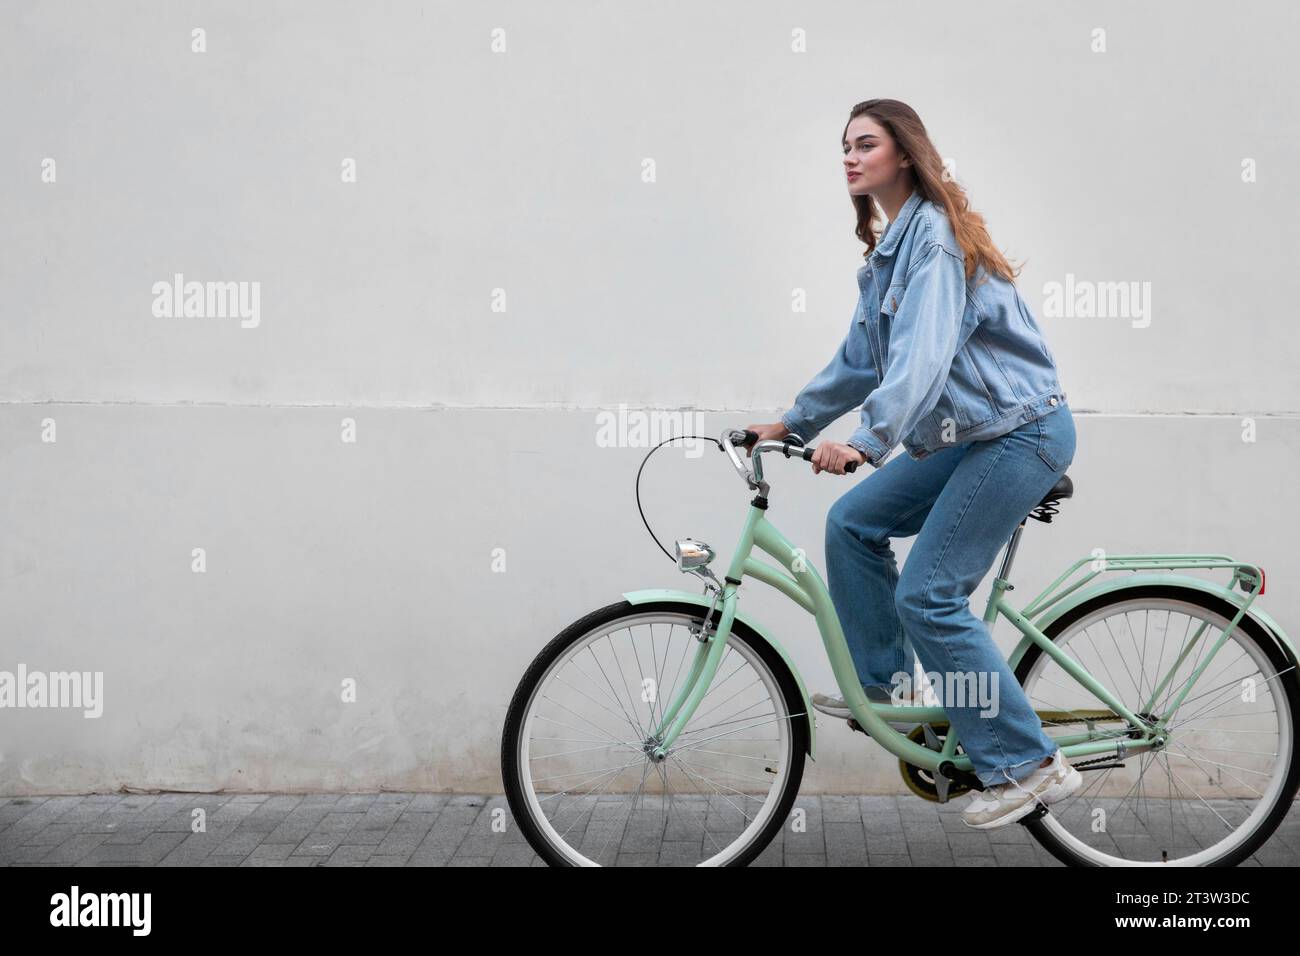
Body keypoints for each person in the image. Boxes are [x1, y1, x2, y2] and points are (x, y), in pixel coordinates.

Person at [745, 99, 1082, 829]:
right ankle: (899, 700)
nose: (849, 156)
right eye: (843, 146)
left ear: (904, 154)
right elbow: (863, 359)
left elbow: (923, 356)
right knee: (853, 524)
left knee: (928, 595)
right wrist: (793, 422)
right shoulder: (889, 253)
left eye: (865, 144)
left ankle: (1029, 764)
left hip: (1021, 432)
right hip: (975, 436)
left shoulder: (931, 238)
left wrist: (866, 441)